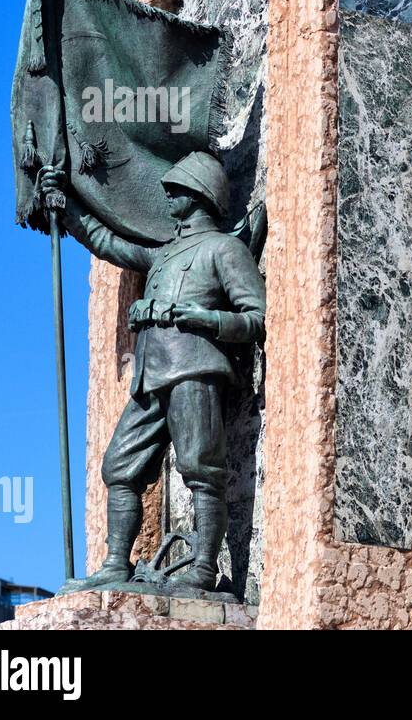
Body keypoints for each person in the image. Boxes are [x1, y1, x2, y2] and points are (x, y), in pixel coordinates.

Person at [39, 152, 266, 592]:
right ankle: (115, 565)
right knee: (118, 467)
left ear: (200, 194)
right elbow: (110, 244)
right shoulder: (163, 253)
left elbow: (257, 317)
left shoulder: (224, 249)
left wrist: (202, 318)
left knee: (201, 468)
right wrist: (64, 206)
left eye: (176, 188)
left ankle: (202, 569)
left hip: (195, 369)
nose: (166, 195)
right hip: (151, 375)